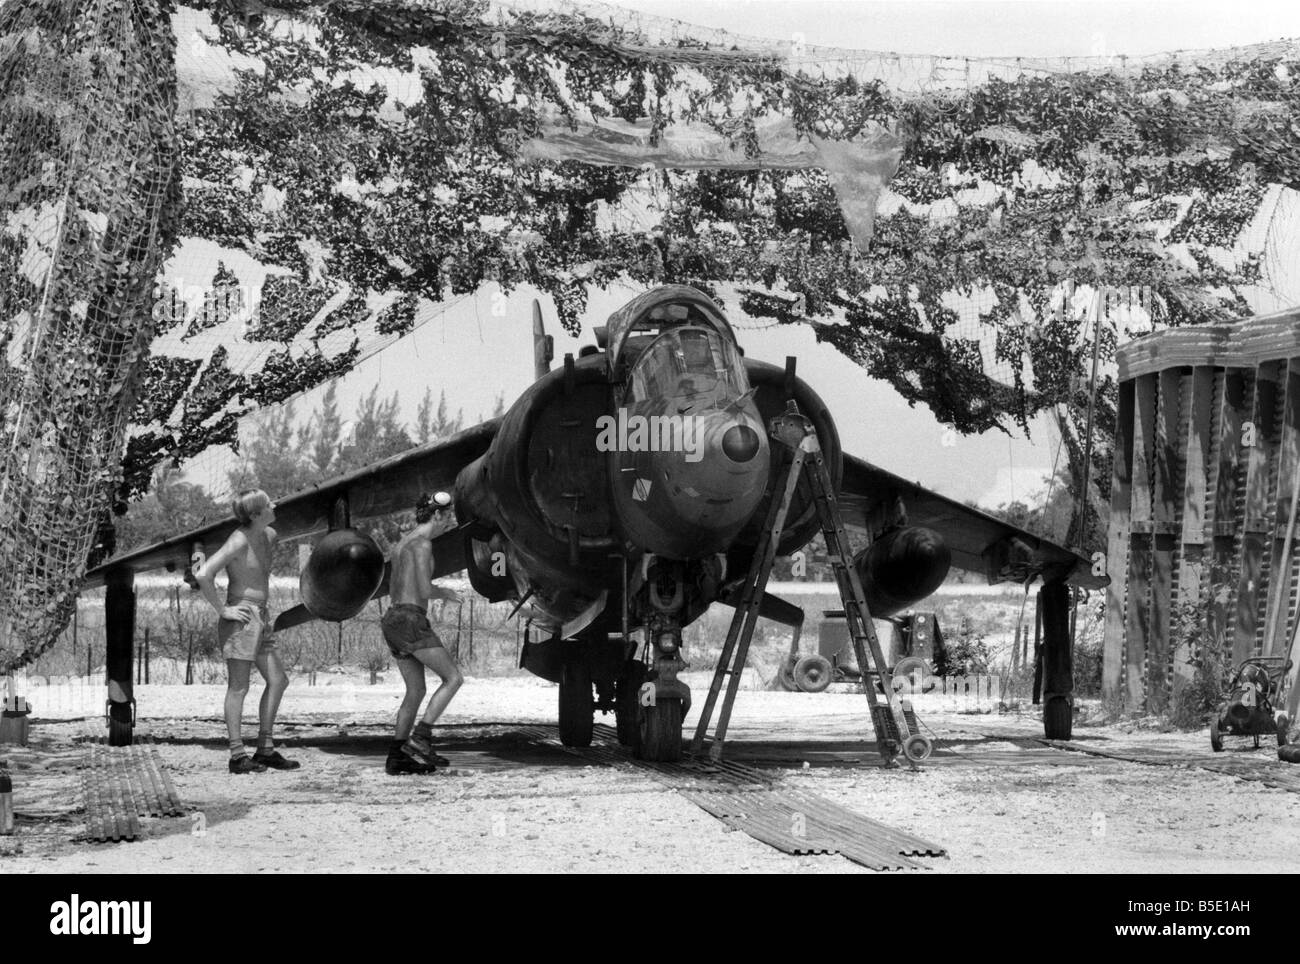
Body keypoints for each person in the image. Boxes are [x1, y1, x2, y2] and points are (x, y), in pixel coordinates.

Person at [195, 488, 300, 774]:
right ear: (255, 514)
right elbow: (203, 573)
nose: (275, 503)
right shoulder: (239, 539)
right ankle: (237, 755)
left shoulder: (268, 536)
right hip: (240, 615)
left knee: (278, 680)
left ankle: (265, 749)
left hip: (261, 615)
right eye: (269, 503)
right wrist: (223, 610)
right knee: (239, 687)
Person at [380, 491, 464, 775]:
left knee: (415, 690)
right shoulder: (423, 545)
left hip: (392, 618)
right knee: (453, 678)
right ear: (437, 515)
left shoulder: (400, 544)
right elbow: (425, 589)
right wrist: (446, 592)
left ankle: (396, 757)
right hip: (410, 619)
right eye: (448, 516)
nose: (449, 522)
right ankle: (421, 737)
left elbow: (394, 588)